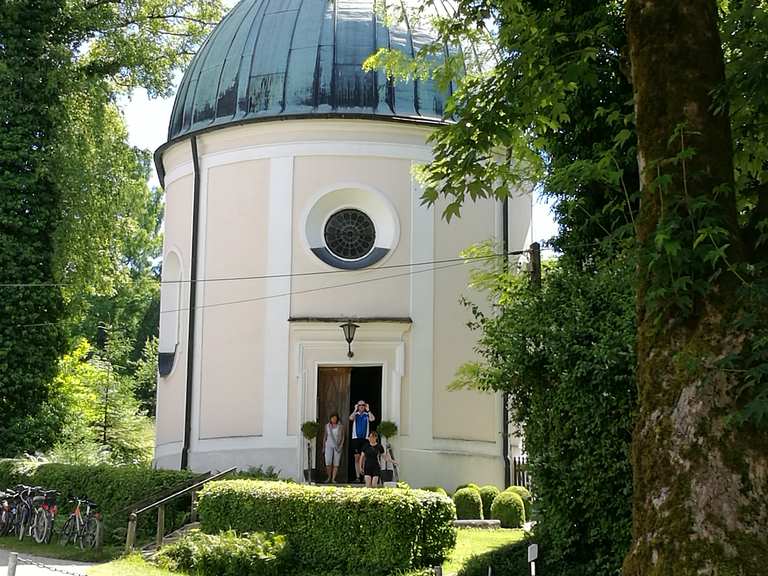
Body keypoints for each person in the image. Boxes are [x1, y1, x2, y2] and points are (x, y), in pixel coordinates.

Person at [349, 400, 375, 482]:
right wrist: (354, 410)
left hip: (365, 439)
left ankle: (364, 477)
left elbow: (372, 419)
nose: (361, 406)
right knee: (357, 458)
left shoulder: (367, 415)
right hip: (356, 439)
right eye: (360, 405)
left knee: (364, 458)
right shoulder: (355, 415)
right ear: (357, 406)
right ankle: (357, 477)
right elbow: (350, 418)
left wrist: (368, 410)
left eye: (363, 405)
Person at [322, 413, 344, 483]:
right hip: (328, 445)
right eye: (332, 418)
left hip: (337, 446)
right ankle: (329, 477)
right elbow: (325, 436)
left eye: (335, 418)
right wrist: (323, 446)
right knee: (328, 462)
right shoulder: (327, 426)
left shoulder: (340, 426)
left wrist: (341, 445)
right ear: (330, 419)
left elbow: (343, 436)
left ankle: (333, 479)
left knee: (336, 463)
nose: (334, 419)